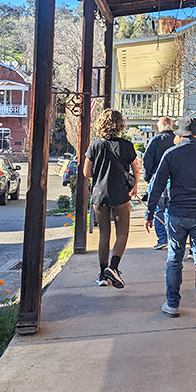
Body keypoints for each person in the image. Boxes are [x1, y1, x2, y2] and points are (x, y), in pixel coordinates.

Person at [145, 116, 196, 323]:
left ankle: (172, 305)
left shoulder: (171, 154)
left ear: (179, 135)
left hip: (176, 214)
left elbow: (157, 186)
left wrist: (149, 212)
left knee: (174, 259)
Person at [83, 108, 139, 289]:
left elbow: (86, 172)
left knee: (104, 234)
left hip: (99, 195)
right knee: (122, 233)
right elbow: (136, 169)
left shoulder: (95, 146)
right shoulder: (127, 146)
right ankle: (113, 268)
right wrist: (135, 185)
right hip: (120, 194)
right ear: (120, 124)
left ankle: (102, 275)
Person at [142, 116, 175, 249]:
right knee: (169, 209)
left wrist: (147, 177)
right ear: (171, 126)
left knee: (157, 209)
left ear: (160, 127)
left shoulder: (155, 141)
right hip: (173, 180)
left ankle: (162, 238)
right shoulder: (177, 140)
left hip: (158, 179)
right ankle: (171, 236)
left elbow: (147, 160)